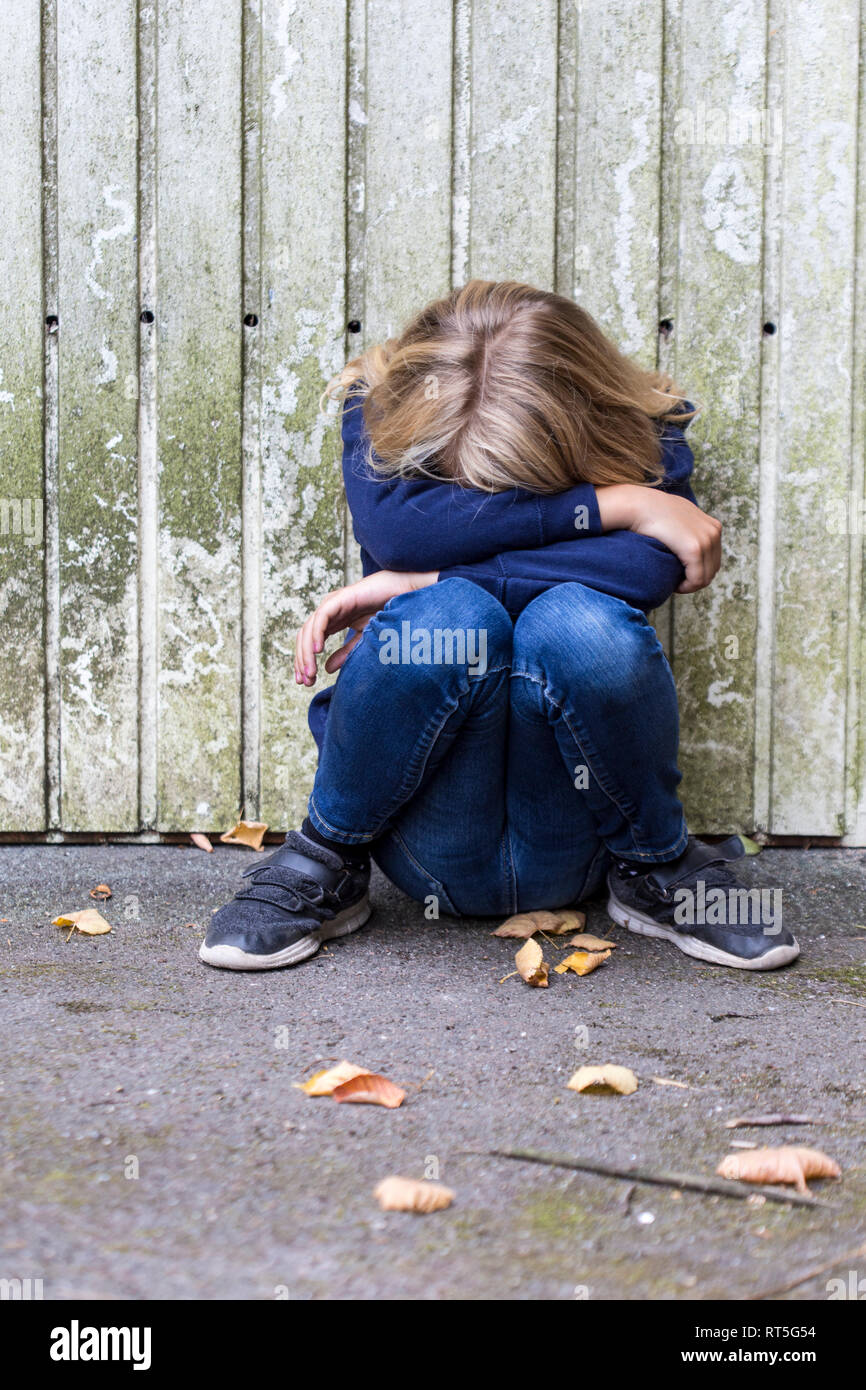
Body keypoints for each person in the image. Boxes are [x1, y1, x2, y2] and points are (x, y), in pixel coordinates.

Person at [200, 280, 798, 973]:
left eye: (526, 486)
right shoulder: (379, 403)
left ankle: (657, 871)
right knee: (452, 619)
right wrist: (615, 506)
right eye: (464, 492)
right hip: (429, 841)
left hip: (587, 833)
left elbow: (648, 567)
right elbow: (398, 531)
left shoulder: (644, 422)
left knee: (578, 622)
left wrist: (428, 575)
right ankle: (325, 859)